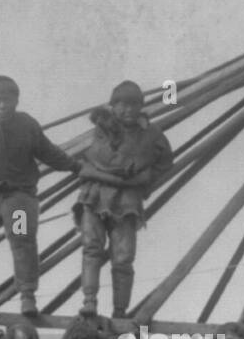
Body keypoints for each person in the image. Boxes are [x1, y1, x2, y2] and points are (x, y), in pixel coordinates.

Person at [0, 75, 83, 316]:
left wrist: (75, 166)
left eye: (7, 100)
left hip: (18, 195)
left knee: (20, 236)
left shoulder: (27, 124)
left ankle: (27, 294)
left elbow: (48, 152)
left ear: (16, 101)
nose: (2, 106)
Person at [73, 82, 174, 318]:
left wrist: (146, 181)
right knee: (91, 248)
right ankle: (90, 301)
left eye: (134, 105)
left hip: (127, 201)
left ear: (140, 107)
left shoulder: (151, 135)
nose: (128, 110)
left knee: (123, 257)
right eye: (122, 105)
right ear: (113, 106)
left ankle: (119, 309)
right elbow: (82, 160)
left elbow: (165, 162)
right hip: (95, 196)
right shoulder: (99, 130)